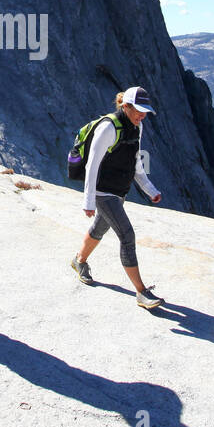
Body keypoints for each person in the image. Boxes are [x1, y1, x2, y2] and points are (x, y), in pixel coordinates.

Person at [71, 87, 165, 309]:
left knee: (99, 229)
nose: (142, 115)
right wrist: (89, 200)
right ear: (126, 106)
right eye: (138, 110)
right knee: (127, 235)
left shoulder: (137, 127)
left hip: (119, 190)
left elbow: (136, 163)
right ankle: (141, 292)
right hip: (104, 192)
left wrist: (150, 189)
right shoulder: (108, 127)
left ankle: (79, 261)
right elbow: (92, 165)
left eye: (145, 111)